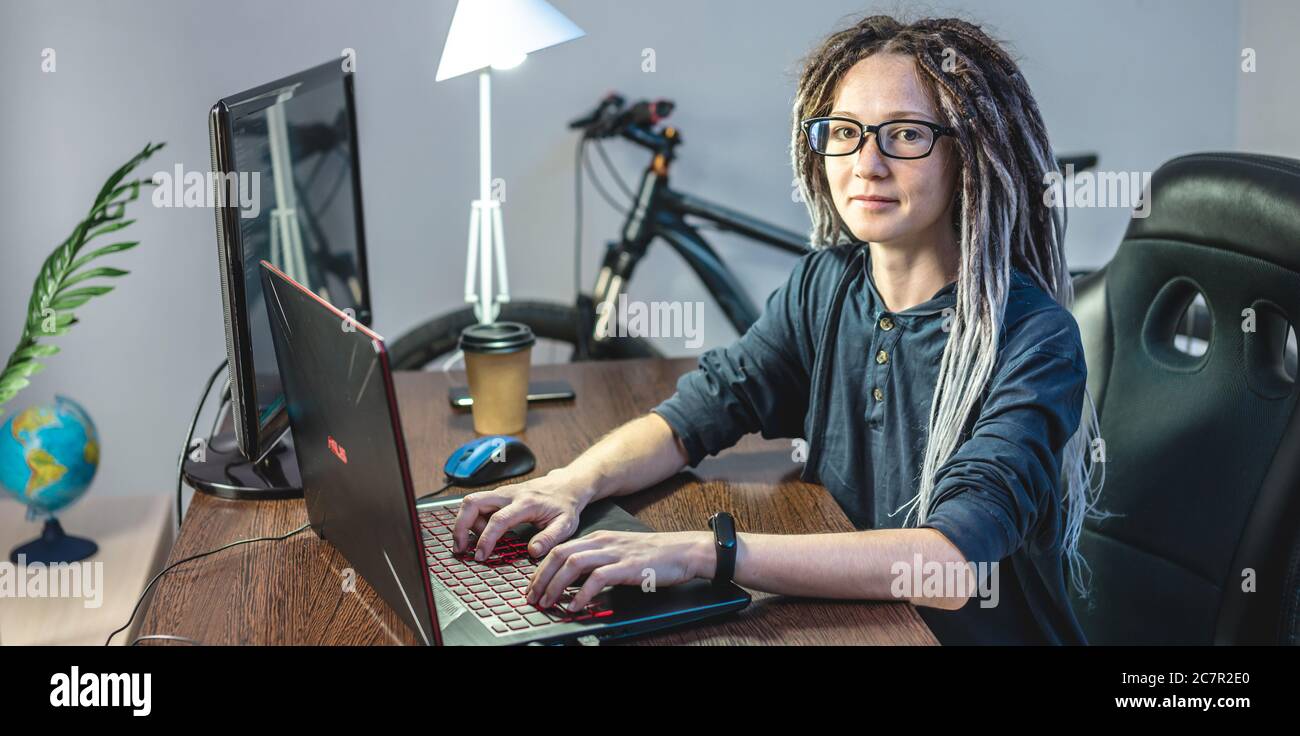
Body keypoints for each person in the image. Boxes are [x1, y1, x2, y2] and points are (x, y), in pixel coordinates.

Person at [452, 14, 1104, 645]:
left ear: (970, 156)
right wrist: (571, 483)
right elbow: (697, 412)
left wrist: (710, 552)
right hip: (849, 622)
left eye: (905, 135)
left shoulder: (1034, 338)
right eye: (844, 131)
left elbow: (948, 564)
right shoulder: (824, 286)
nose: (866, 163)